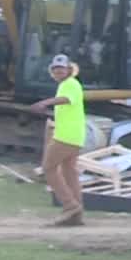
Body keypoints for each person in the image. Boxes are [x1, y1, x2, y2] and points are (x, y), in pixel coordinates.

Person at [31, 54, 86, 227]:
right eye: (55, 69)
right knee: (69, 171)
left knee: (48, 168)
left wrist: (44, 103)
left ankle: (70, 206)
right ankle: (76, 214)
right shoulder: (67, 85)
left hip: (66, 136)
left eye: (61, 68)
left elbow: (66, 100)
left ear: (69, 70)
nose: (58, 72)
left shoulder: (70, 84)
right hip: (74, 136)